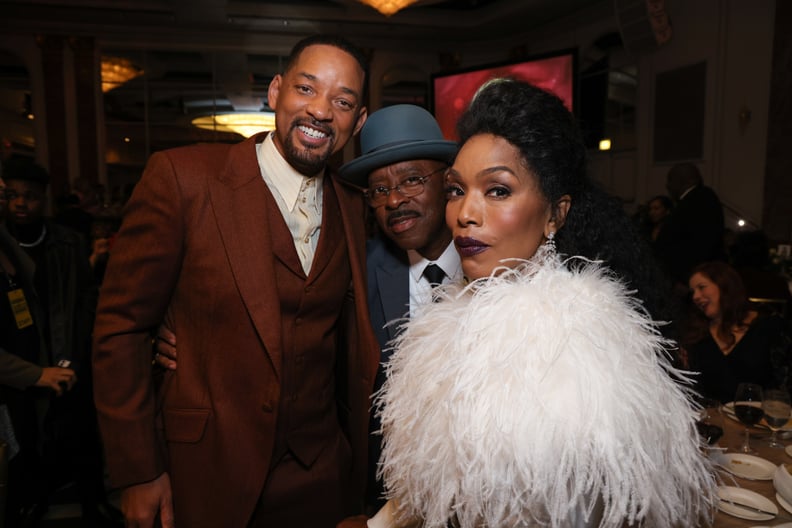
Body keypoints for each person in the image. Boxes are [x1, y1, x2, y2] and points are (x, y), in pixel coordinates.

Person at [362, 79, 716, 528]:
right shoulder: (446, 322)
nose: (465, 213)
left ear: (556, 214)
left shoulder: (584, 355)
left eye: (498, 190)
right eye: (456, 190)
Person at [91, 34, 380, 528]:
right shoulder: (183, 179)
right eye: (306, 90)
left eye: (343, 101)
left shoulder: (355, 207)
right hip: (207, 473)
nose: (321, 111)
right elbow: (121, 329)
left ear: (359, 120)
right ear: (275, 92)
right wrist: (138, 471)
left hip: (322, 475)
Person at [337, 104, 460, 513]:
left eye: (412, 180)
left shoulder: (496, 264)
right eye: (379, 190)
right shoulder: (356, 269)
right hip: (385, 497)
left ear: (449, 181)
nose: (394, 201)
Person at [2, 159, 120, 527]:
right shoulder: (3, 246)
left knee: (82, 433)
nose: (21, 204)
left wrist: (74, 354)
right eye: (14, 196)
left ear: (45, 199)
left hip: (68, 352)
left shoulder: (66, 241)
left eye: (31, 197)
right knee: (27, 439)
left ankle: (93, 503)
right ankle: (31, 503)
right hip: (22, 360)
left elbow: (87, 297)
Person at [682, 261, 792, 404]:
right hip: (712, 421)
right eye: (692, 292)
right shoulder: (697, 337)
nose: (695, 296)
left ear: (724, 286)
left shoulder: (769, 327)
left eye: (701, 287)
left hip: (759, 421)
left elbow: (785, 384)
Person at [654, 162, 725, 288]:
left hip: (690, 279)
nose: (668, 185)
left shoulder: (697, 201)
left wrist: (683, 280)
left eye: (670, 180)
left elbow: (699, 244)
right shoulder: (697, 199)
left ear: (684, 180)